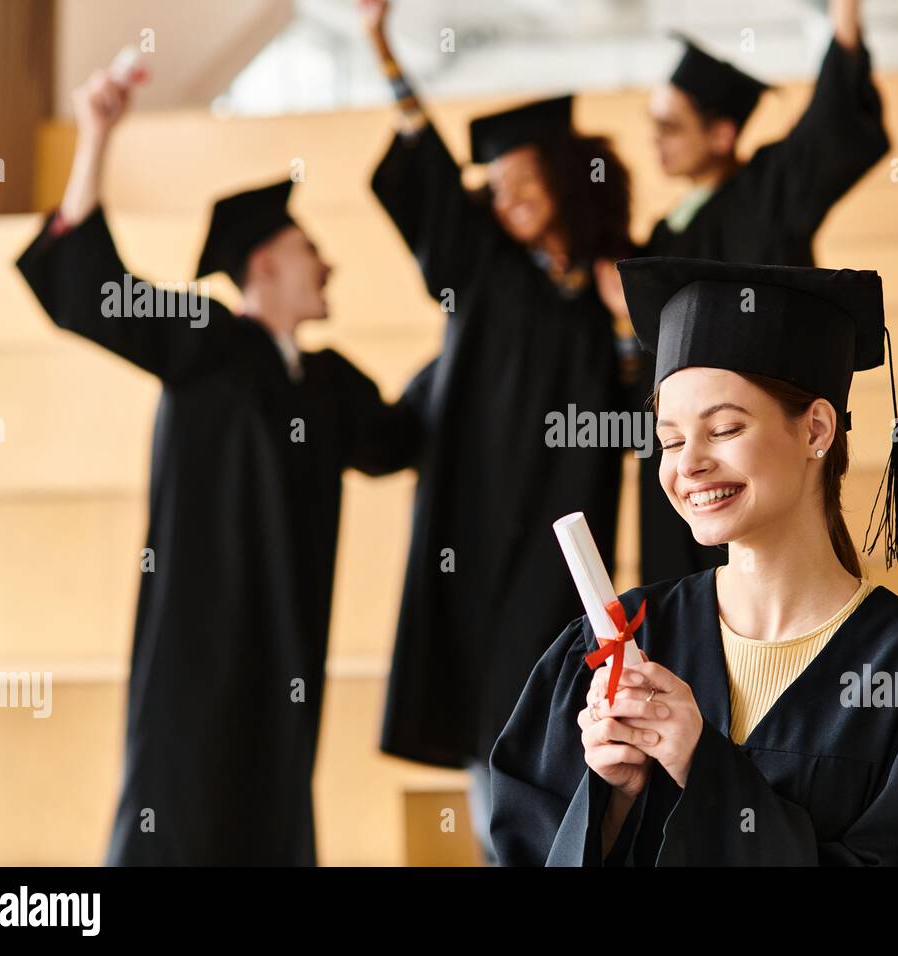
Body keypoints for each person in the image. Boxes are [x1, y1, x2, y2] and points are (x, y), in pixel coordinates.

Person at [15, 66, 424, 865]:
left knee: (269, 810)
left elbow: (405, 438)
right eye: (311, 249)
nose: (328, 264)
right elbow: (90, 290)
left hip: (287, 647)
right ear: (264, 265)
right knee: (182, 800)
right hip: (196, 641)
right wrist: (95, 134)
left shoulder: (332, 384)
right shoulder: (205, 342)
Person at [489, 257, 898, 865]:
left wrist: (703, 767)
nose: (688, 464)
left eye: (724, 429)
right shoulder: (623, 640)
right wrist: (615, 799)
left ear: (815, 430)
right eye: (670, 440)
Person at [360, 0, 635, 864]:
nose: (506, 198)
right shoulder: (484, 275)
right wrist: (382, 48)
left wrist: (628, 329)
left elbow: (637, 422)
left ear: (564, 174)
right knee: (492, 713)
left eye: (523, 179)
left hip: (563, 547)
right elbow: (433, 177)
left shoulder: (605, 292)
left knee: (555, 699)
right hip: (474, 539)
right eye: (497, 187)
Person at [630, 0, 891, 587]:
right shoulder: (665, 231)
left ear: (722, 133)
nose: (656, 142)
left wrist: (844, 26)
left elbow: (827, 134)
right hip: (693, 452)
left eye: (671, 126)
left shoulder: (767, 191)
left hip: (763, 434)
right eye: (653, 125)